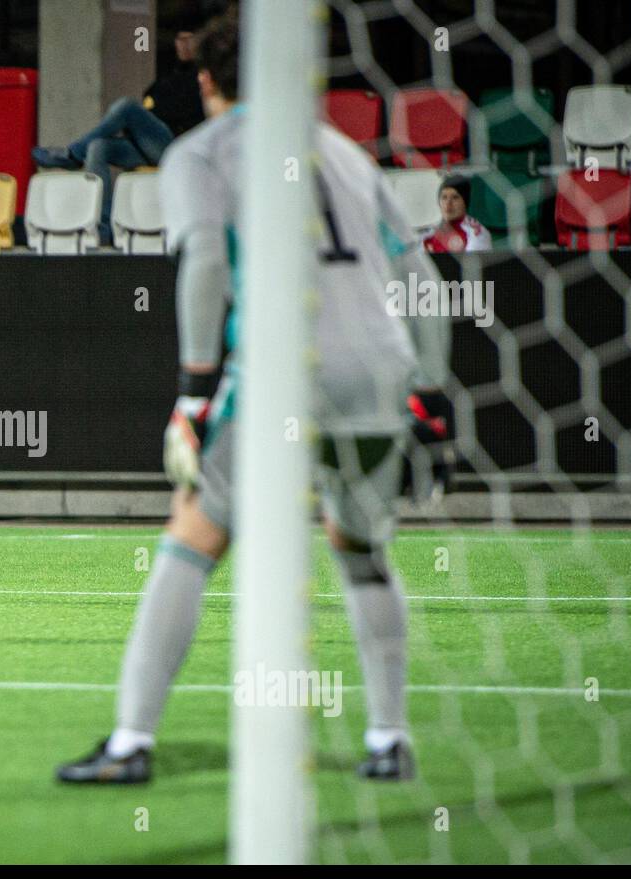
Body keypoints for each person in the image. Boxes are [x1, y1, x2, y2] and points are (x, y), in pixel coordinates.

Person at [55, 7, 454, 784]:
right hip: (379, 371)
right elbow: (420, 277)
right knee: (362, 548)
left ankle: (132, 742)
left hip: (282, 372)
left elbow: (205, 265)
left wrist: (194, 390)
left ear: (206, 80)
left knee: (193, 535)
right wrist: (432, 398)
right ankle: (388, 738)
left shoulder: (203, 155)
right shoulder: (344, 155)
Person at [32, 20, 204, 245]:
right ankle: (103, 228)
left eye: (188, 39)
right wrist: (148, 117)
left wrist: (148, 115)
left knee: (126, 107)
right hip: (150, 144)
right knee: (98, 147)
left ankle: (73, 154)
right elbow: (152, 102)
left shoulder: (202, 77)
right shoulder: (168, 75)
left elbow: (170, 109)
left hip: (176, 150)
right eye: (179, 39)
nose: (183, 45)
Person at [423, 176, 492, 252]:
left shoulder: (476, 233)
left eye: (455, 197)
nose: (448, 204)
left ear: (466, 202)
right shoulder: (429, 233)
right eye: (444, 197)